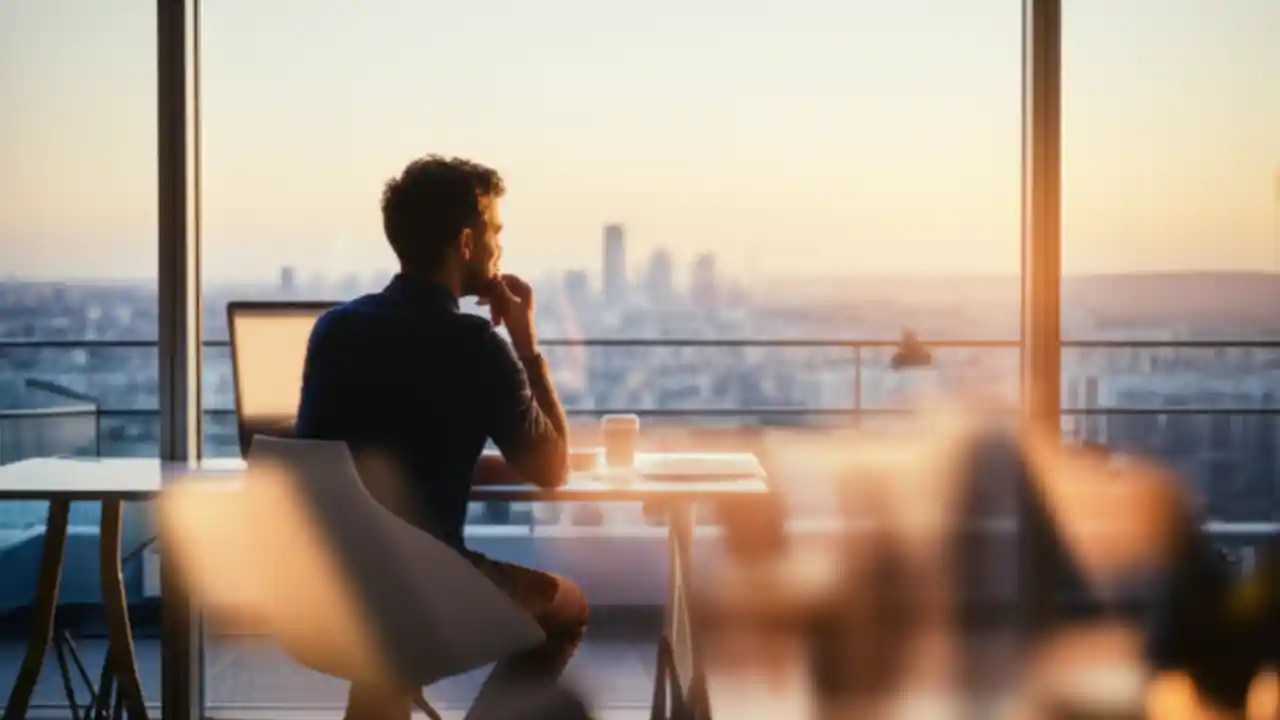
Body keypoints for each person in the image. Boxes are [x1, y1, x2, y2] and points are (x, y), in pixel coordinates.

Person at [295, 155, 588, 720]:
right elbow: (552, 468)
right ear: (466, 244)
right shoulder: (475, 345)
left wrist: (464, 461)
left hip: (337, 593)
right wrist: (526, 346)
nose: (501, 247)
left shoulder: (335, 329)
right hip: (430, 596)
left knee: (383, 643)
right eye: (495, 231)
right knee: (568, 608)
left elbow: (362, 459)